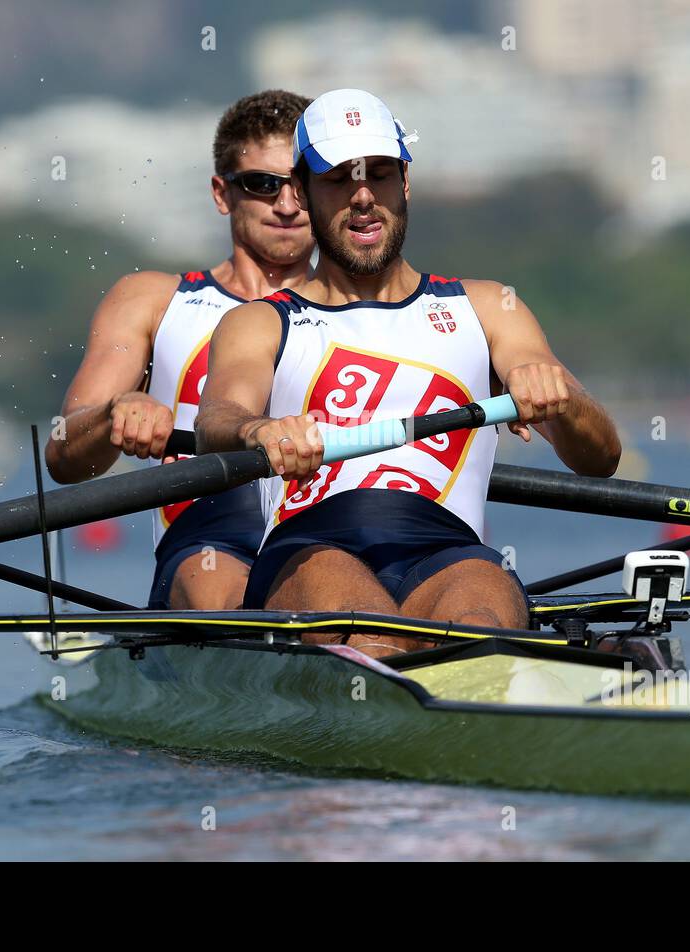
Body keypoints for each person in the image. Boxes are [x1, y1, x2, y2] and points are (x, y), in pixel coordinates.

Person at [195, 88, 621, 656]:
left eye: (380, 174)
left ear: (406, 182)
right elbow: (216, 417)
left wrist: (561, 399)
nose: (363, 196)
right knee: (369, 631)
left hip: (444, 548)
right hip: (309, 547)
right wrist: (257, 431)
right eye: (338, 178)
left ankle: (475, 703)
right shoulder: (261, 323)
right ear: (301, 191)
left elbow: (600, 458)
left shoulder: (490, 307)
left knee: (482, 620)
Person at [45, 89, 314, 609]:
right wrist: (115, 413)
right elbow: (64, 456)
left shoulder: (368, 308)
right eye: (263, 184)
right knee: (219, 583)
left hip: (330, 541)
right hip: (207, 552)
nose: (287, 205)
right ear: (221, 193)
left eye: (303, 184)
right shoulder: (151, 301)